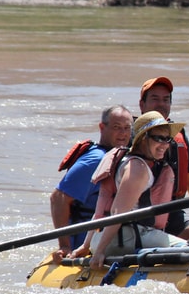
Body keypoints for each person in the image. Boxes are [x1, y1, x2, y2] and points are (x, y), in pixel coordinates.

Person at [68, 111, 188, 268]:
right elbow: (118, 214)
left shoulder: (125, 161)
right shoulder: (137, 169)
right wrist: (99, 252)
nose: (165, 144)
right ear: (143, 138)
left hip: (110, 238)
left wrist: (87, 245)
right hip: (123, 239)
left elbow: (100, 212)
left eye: (168, 139)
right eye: (159, 138)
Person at [49, 105, 133, 254]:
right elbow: (58, 198)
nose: (123, 133)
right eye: (117, 127)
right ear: (102, 127)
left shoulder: (120, 156)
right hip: (85, 243)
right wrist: (64, 246)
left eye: (127, 128)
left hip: (108, 239)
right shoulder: (96, 160)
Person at [139, 76, 189, 240]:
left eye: (166, 99)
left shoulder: (178, 135)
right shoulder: (132, 136)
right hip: (142, 215)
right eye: (155, 99)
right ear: (142, 104)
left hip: (173, 212)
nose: (161, 104)